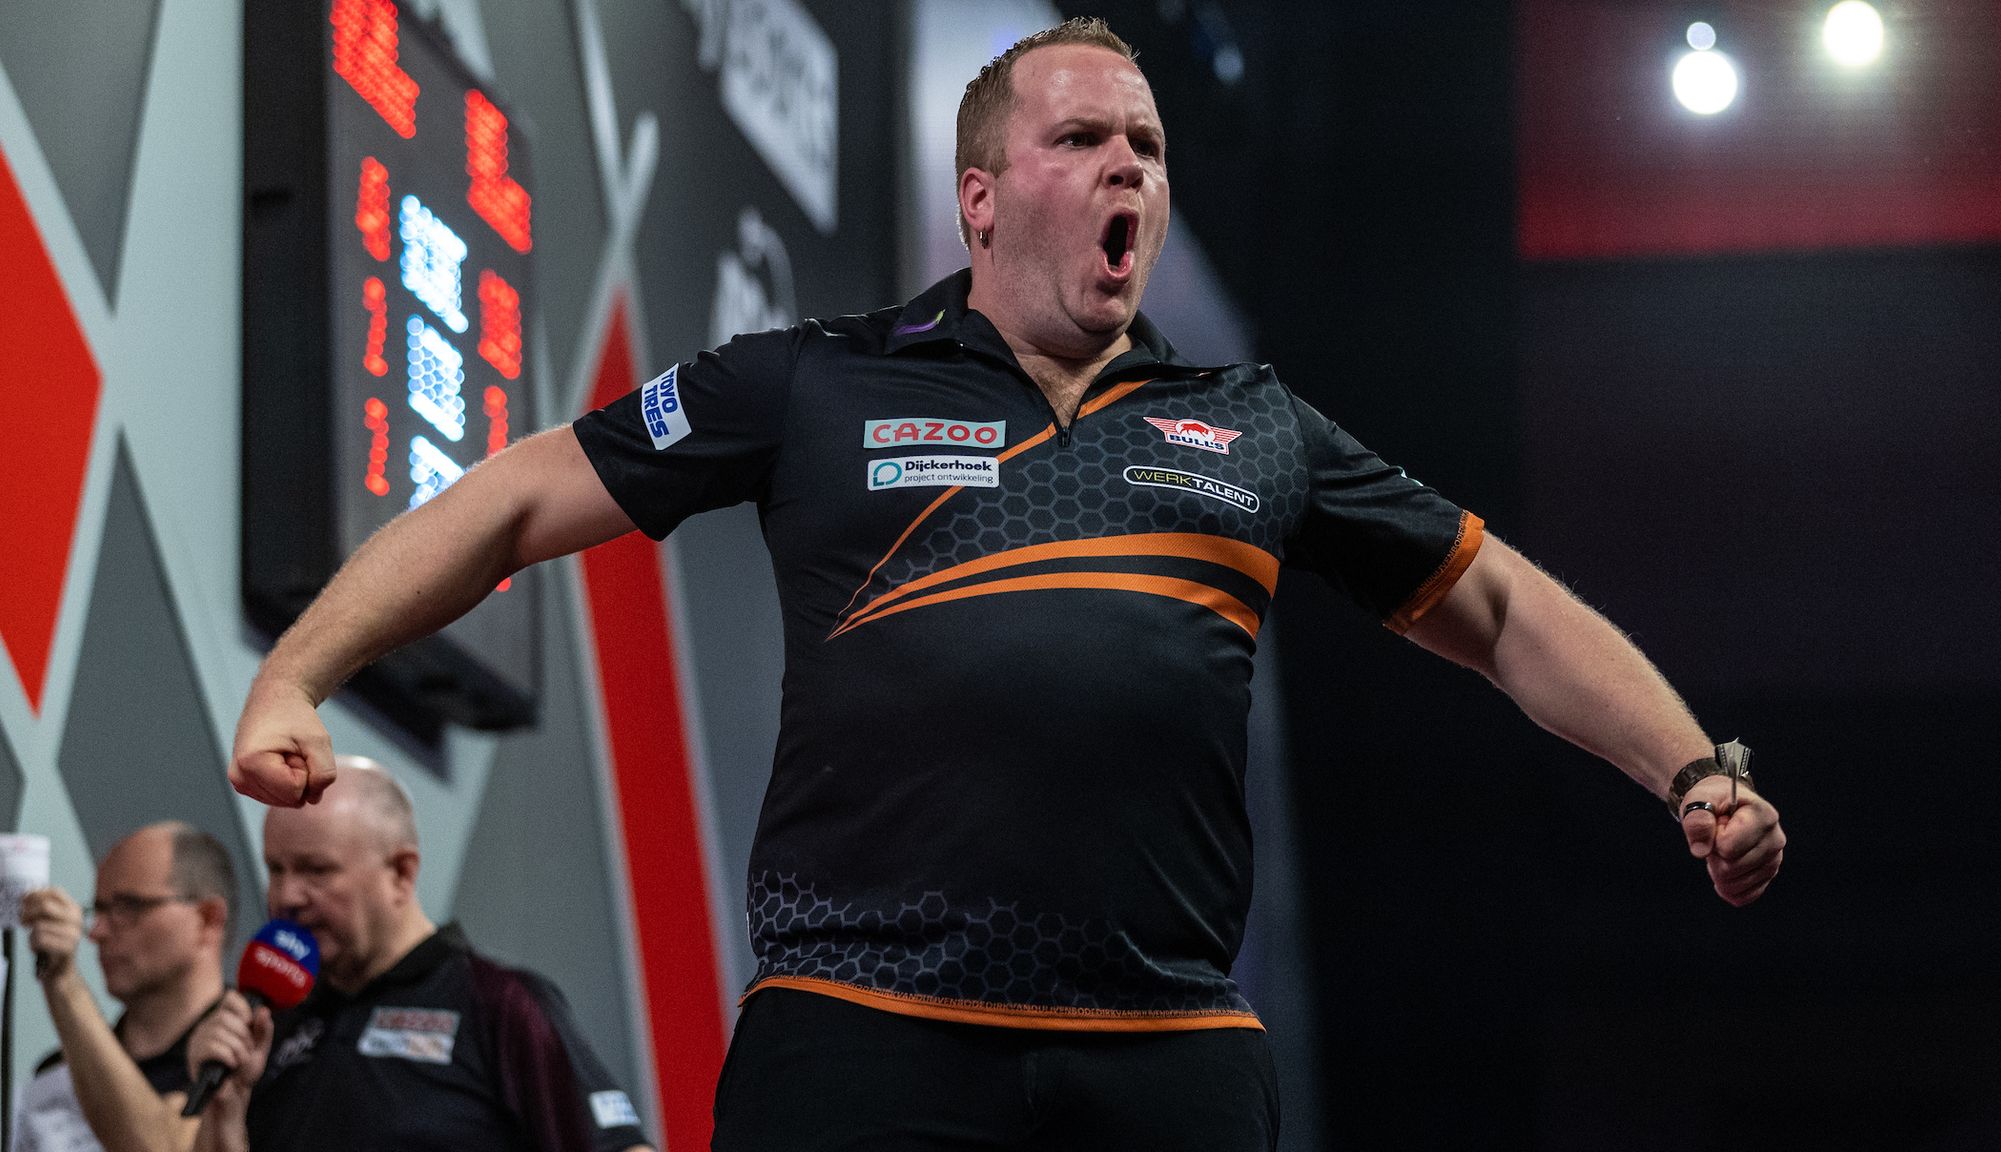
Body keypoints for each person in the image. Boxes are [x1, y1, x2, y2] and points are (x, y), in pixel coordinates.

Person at [223, 17, 1786, 1150]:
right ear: (979, 197)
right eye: (1083, 139)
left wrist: (1690, 767)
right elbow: (514, 498)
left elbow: (1499, 610)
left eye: (1149, 146)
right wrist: (299, 672)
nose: (1130, 167)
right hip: (860, 1040)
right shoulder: (812, 383)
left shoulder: (1255, 426)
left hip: (1168, 1057)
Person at [185, 757, 653, 1152]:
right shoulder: (271, 1027)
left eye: (316, 870)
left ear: (401, 873)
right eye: (276, 869)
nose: (287, 896)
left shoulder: (497, 1005)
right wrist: (227, 1110)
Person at [15, 823, 235, 1152]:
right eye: (98, 910)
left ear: (207, 919)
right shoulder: (58, 1074)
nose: (97, 932)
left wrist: (64, 982)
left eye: (128, 908)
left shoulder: (253, 1058)